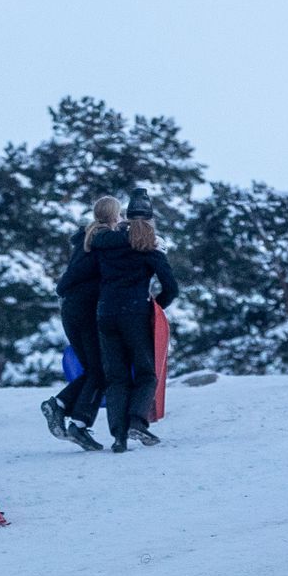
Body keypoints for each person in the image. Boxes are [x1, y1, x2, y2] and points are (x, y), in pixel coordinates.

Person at [87, 190, 179, 453]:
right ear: (150, 219)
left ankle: (118, 437)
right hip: (136, 314)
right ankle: (137, 422)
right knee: (147, 373)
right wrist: (156, 306)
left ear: (126, 217)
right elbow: (170, 286)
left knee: (116, 377)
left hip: (105, 314)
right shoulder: (149, 246)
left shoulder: (104, 241)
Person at [40, 196, 119, 451]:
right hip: (87, 311)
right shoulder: (104, 240)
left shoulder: (86, 239)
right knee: (100, 370)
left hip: (72, 310)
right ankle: (76, 421)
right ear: (114, 216)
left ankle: (64, 408)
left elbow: (71, 278)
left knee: (93, 369)